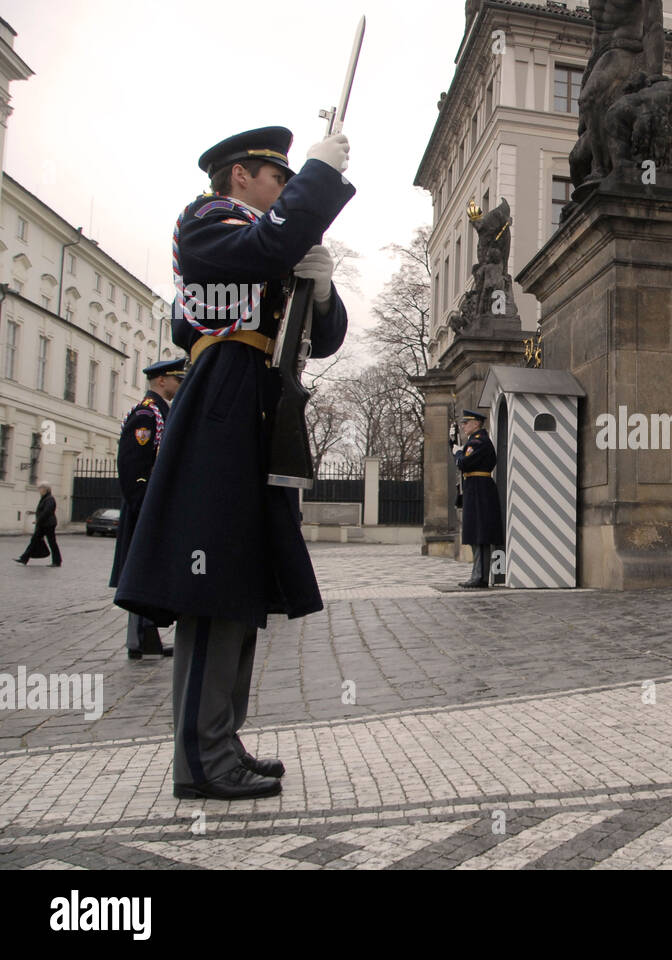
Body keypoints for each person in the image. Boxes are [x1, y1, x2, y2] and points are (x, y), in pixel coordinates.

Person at [114, 125, 355, 800]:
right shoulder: (208, 222)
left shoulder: (262, 238)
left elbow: (327, 337)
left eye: (289, 180)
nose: (284, 191)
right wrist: (318, 173)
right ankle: (199, 757)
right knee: (209, 585)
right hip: (222, 394)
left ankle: (223, 740)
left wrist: (325, 289)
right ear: (241, 176)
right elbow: (270, 240)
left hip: (257, 400)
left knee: (239, 585)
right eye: (277, 179)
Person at [111, 357, 185, 660]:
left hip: (153, 503)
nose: (179, 385)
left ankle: (147, 638)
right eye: (176, 379)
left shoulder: (162, 412)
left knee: (149, 568)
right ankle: (140, 639)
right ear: (162, 381)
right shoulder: (147, 413)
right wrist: (143, 504)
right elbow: (133, 464)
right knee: (141, 567)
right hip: (144, 504)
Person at [453, 410, 504, 588]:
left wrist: (458, 453)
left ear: (476, 423)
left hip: (479, 490)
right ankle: (478, 575)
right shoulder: (474, 441)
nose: (463, 426)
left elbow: (464, 463)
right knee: (476, 533)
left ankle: (480, 576)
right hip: (475, 488)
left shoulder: (478, 442)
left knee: (480, 533)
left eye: (466, 423)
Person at [14, 483, 60, 567]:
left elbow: (47, 511)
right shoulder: (45, 498)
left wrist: (38, 520)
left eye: (40, 489)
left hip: (48, 524)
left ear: (45, 489)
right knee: (34, 541)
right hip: (43, 524)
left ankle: (57, 561)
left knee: (52, 542)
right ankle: (24, 559)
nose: (39, 491)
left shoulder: (50, 499)